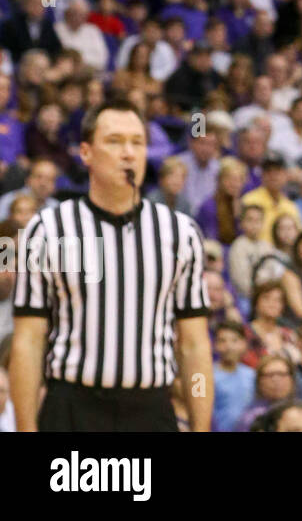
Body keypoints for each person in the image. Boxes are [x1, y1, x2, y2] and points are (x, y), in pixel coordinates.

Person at [9, 96, 213, 430]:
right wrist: (26, 428)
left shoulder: (181, 232)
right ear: (86, 152)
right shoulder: (48, 230)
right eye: (114, 142)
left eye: (137, 142)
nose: (129, 153)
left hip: (151, 409)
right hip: (72, 406)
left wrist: (201, 427)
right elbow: (28, 342)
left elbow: (194, 346)